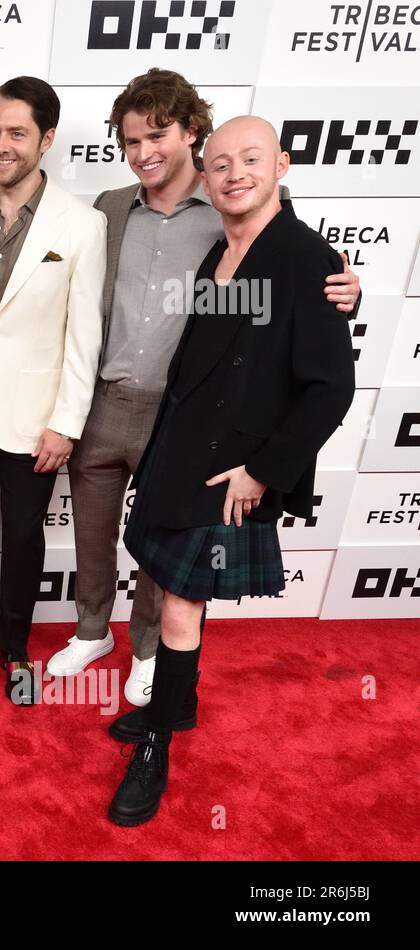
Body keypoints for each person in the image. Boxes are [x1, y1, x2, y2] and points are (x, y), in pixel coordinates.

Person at [47, 69, 361, 711]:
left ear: (192, 133)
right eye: (130, 141)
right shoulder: (108, 208)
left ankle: (146, 651)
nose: (143, 153)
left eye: (157, 135)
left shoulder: (229, 214)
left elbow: (287, 261)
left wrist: (342, 287)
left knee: (164, 555)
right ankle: (90, 631)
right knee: (95, 534)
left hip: (183, 418)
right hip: (106, 401)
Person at [107, 116, 356, 826]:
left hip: (233, 472)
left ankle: (154, 747)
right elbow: (203, 367)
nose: (234, 173)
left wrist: (264, 472)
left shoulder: (310, 260)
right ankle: (176, 704)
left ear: (280, 165)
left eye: (250, 159)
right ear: (205, 174)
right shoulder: (221, 246)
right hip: (178, 451)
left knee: (181, 604)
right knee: (162, 581)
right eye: (219, 164)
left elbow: (329, 387)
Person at [0, 77, 106, 705]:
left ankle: (15, 649)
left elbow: (84, 336)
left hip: (36, 416)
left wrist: (67, 422)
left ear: (47, 140)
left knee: (25, 536)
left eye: (16, 133)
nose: (0, 145)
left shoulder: (82, 226)